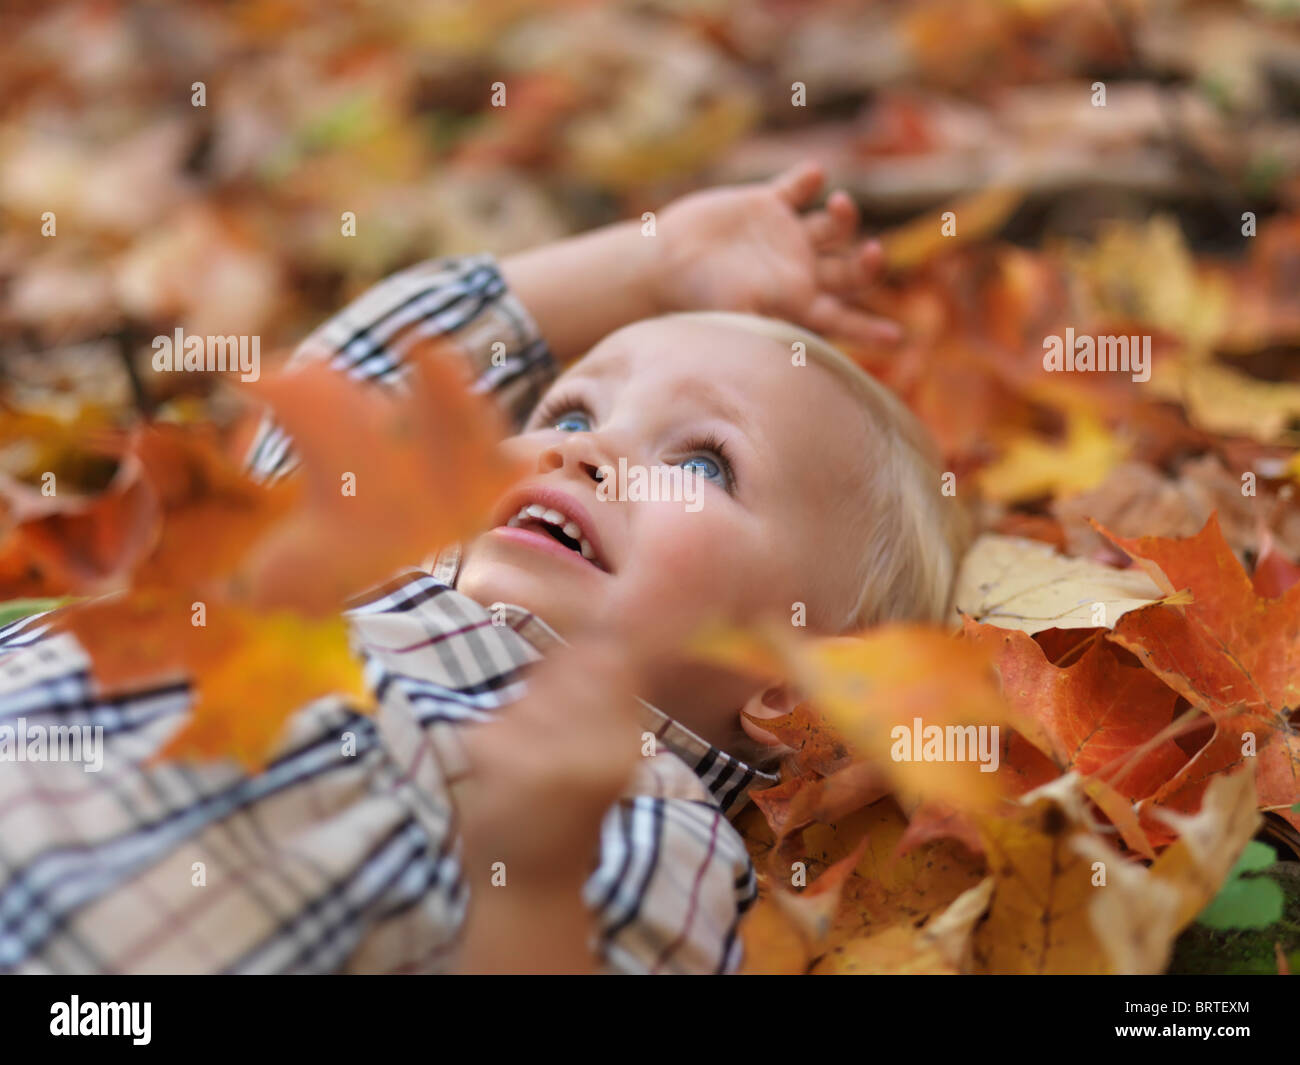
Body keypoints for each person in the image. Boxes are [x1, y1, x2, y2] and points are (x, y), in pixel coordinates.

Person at [0, 162, 966, 974]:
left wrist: (533, 877)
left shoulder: (641, 815)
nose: (585, 452)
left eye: (704, 463)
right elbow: (359, 379)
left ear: (797, 686)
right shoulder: (354, 560)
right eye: (572, 415)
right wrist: (650, 265)